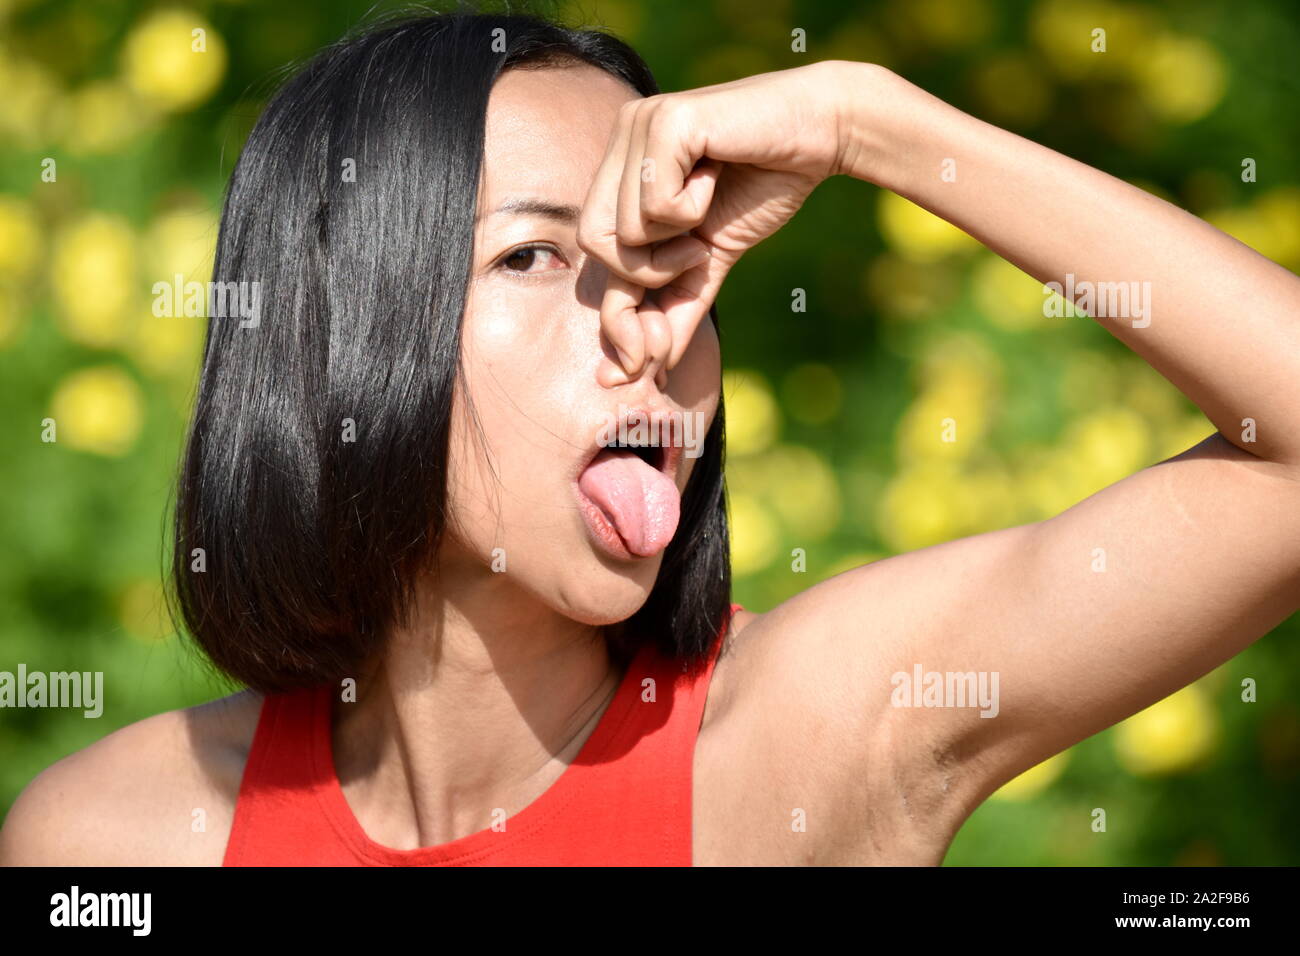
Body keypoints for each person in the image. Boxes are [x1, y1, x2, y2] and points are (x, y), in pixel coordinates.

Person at [2, 9, 1297, 866]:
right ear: (345, 332)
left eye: (669, 265)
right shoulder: (108, 844)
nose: (652, 332)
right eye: (534, 254)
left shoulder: (810, 745)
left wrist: (875, 126)